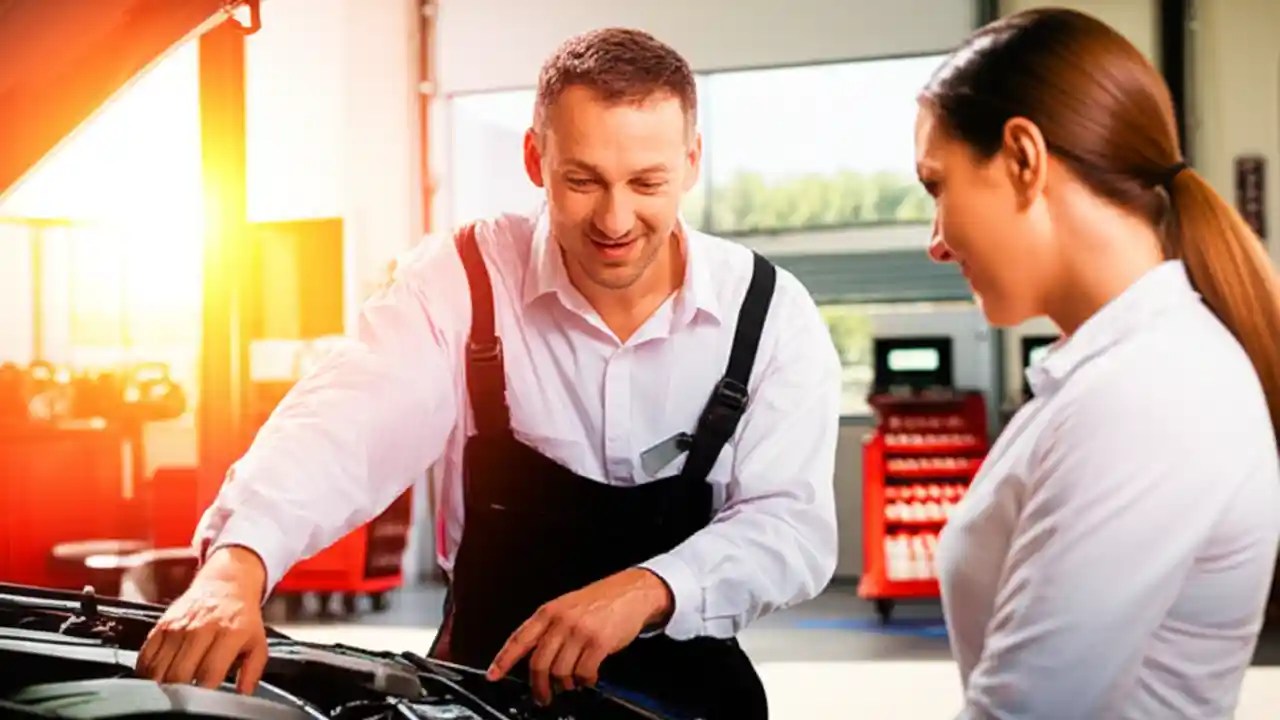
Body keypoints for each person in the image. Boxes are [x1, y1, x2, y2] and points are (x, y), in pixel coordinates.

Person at [134, 27, 841, 719]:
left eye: (647, 182)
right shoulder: (464, 282)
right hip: (483, 690)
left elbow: (791, 523)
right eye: (582, 180)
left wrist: (649, 588)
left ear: (691, 161)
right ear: (536, 159)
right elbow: (343, 426)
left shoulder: (771, 313)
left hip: (687, 697)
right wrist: (239, 560)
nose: (616, 218)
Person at [915, 8, 1280, 719]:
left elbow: (1026, 709)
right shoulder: (1101, 377)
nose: (935, 240)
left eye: (937, 186)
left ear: (1023, 158)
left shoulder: (1152, 391)